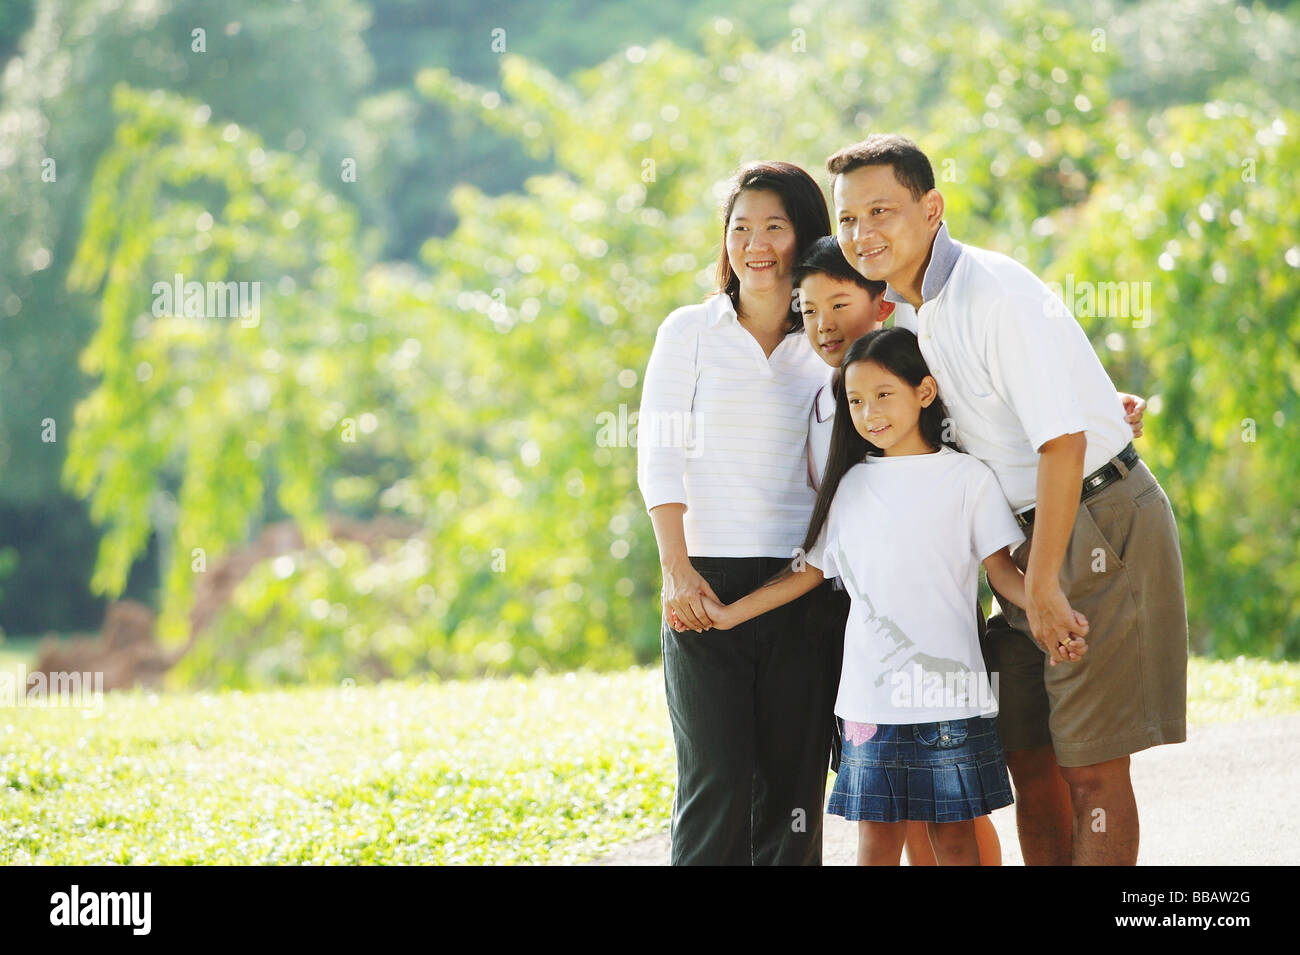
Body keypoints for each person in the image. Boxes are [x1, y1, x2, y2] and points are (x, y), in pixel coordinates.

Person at [826, 133, 1188, 865]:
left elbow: (1062, 444)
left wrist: (1046, 582)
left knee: (1090, 767)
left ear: (933, 209)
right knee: (1030, 757)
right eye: (847, 219)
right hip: (1021, 539)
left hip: (1094, 520)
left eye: (881, 211)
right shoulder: (913, 316)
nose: (862, 234)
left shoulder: (992, 290)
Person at [701, 327, 1088, 865]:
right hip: (870, 702)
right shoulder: (850, 486)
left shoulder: (968, 477)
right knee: (876, 841)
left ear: (924, 393)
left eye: (884, 394)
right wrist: (726, 615)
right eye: (855, 400)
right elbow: (808, 573)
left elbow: (1001, 573)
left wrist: (1055, 612)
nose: (869, 412)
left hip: (951, 697)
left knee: (954, 837)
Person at [636, 161, 843, 865]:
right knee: (714, 784)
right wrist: (676, 569)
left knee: (790, 797)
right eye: (741, 228)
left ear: (804, 235)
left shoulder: (828, 342)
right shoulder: (689, 331)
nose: (755, 243)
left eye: (774, 227)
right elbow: (659, 456)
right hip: (702, 583)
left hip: (801, 587)